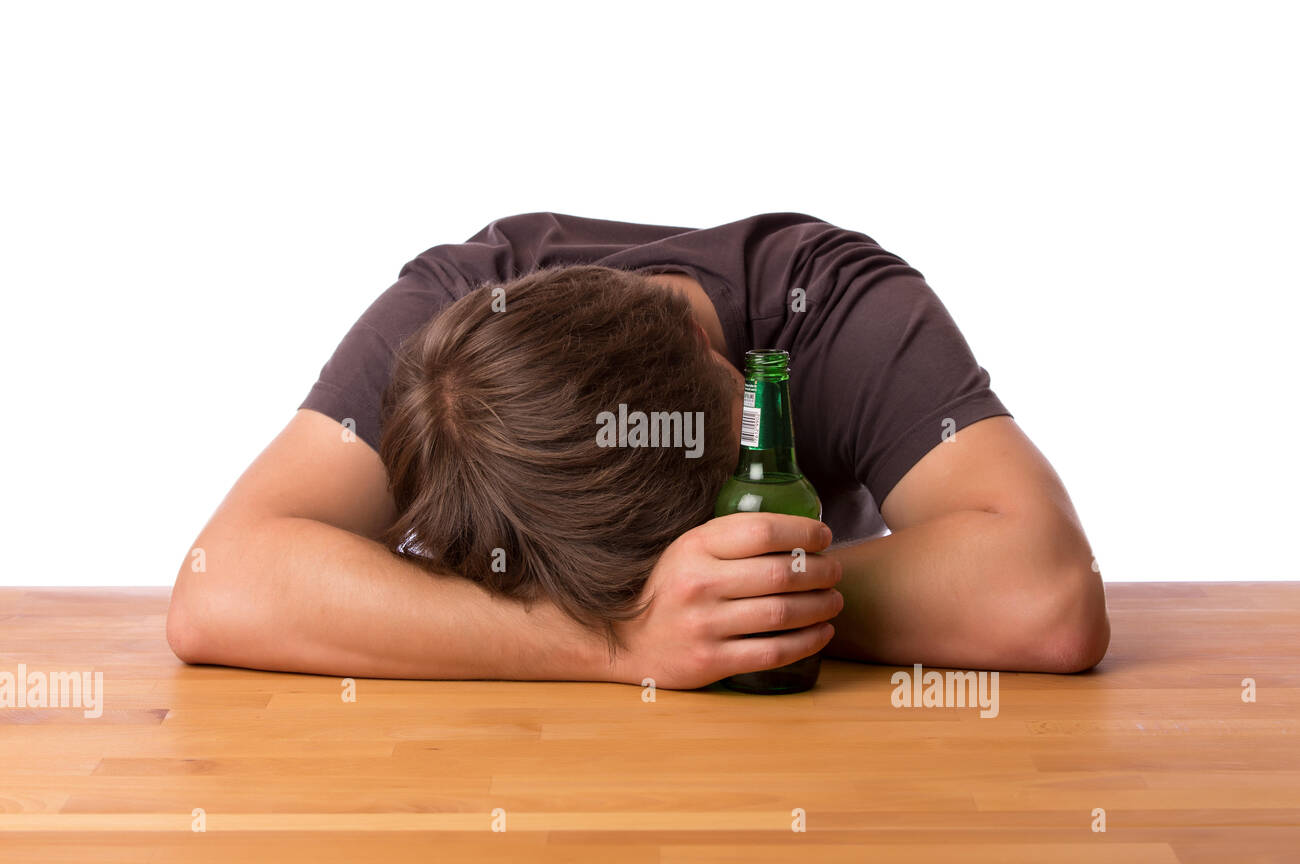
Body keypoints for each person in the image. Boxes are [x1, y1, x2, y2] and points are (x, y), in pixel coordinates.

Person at [165, 211, 1109, 687]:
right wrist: (622, 639)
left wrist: (729, 608)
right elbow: (221, 587)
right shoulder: (437, 339)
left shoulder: (837, 308)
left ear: (712, 347)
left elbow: (1046, 598)